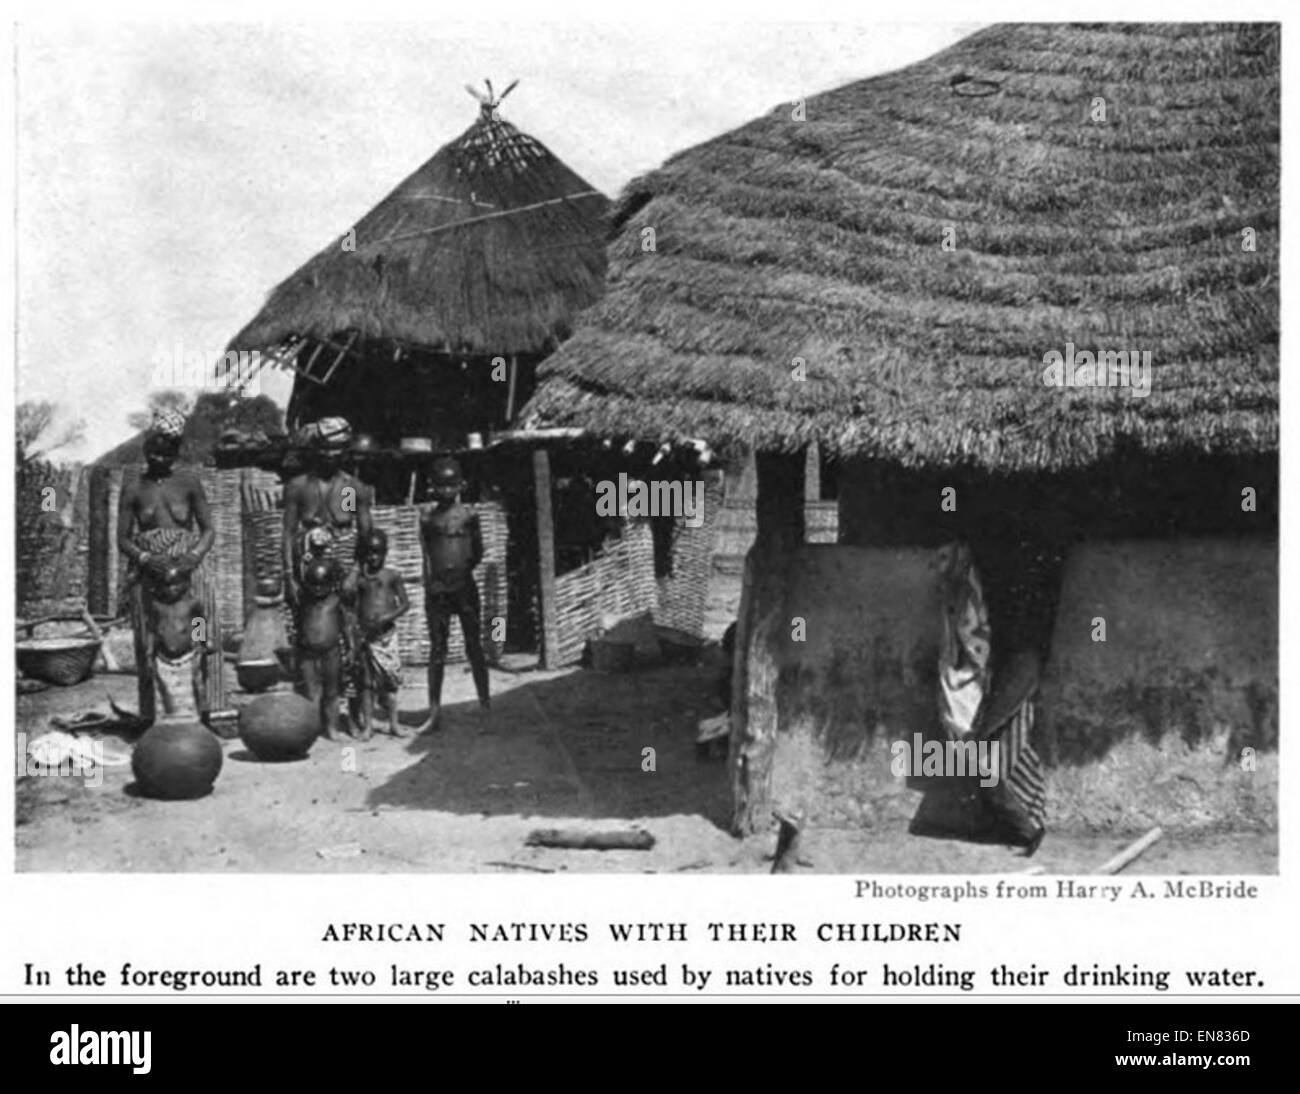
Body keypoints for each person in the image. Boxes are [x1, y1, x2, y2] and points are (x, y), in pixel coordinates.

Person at [116, 408, 226, 726]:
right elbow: (122, 539)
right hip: (149, 575)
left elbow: (208, 530)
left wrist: (194, 556)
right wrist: (148, 559)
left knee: (200, 633)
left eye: (167, 453)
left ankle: (208, 711)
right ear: (146, 448)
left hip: (190, 571)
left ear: (176, 452)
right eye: (154, 452)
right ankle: (153, 718)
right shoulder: (134, 486)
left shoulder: (189, 482)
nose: (160, 459)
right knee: (149, 639)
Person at [936, 541, 1046, 854]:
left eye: (945, 559)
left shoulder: (976, 593)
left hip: (1016, 669)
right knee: (993, 749)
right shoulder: (967, 591)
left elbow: (975, 640)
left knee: (986, 750)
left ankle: (1027, 826)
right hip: (1005, 670)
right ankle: (1020, 824)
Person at [416, 456, 490, 733]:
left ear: (461, 485)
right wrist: (430, 585)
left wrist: (460, 573)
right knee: (437, 650)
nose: (446, 491)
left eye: (451, 485)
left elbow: (478, 552)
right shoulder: (426, 518)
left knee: (474, 646)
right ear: (432, 487)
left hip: (464, 587)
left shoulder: (469, 516)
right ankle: (434, 712)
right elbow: (426, 555)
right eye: (441, 486)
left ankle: (485, 706)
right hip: (437, 590)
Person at [345, 529, 410, 739]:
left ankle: (394, 723)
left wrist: (388, 617)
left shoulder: (392, 576)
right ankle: (368, 726)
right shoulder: (362, 579)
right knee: (366, 683)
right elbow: (349, 599)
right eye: (369, 553)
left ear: (385, 553)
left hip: (387, 636)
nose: (373, 557)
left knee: (390, 682)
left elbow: (405, 604)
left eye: (377, 553)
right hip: (366, 637)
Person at [145, 562, 206, 721]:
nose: (171, 589)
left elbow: (198, 622)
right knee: (166, 694)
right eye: (166, 586)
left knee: (189, 693)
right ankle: (169, 728)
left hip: (187, 656)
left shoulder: (192, 603)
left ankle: (192, 725)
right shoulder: (157, 605)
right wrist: (149, 650)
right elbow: (152, 627)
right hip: (163, 658)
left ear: (185, 584)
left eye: (175, 585)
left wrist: (200, 644)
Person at [296, 557, 346, 742]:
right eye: (313, 585)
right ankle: (313, 727)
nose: (317, 590)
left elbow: (347, 625)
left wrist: (351, 648)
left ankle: (332, 727)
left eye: (321, 585)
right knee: (311, 693)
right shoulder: (304, 600)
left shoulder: (335, 601)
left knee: (332, 692)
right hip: (307, 653)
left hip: (331, 651)